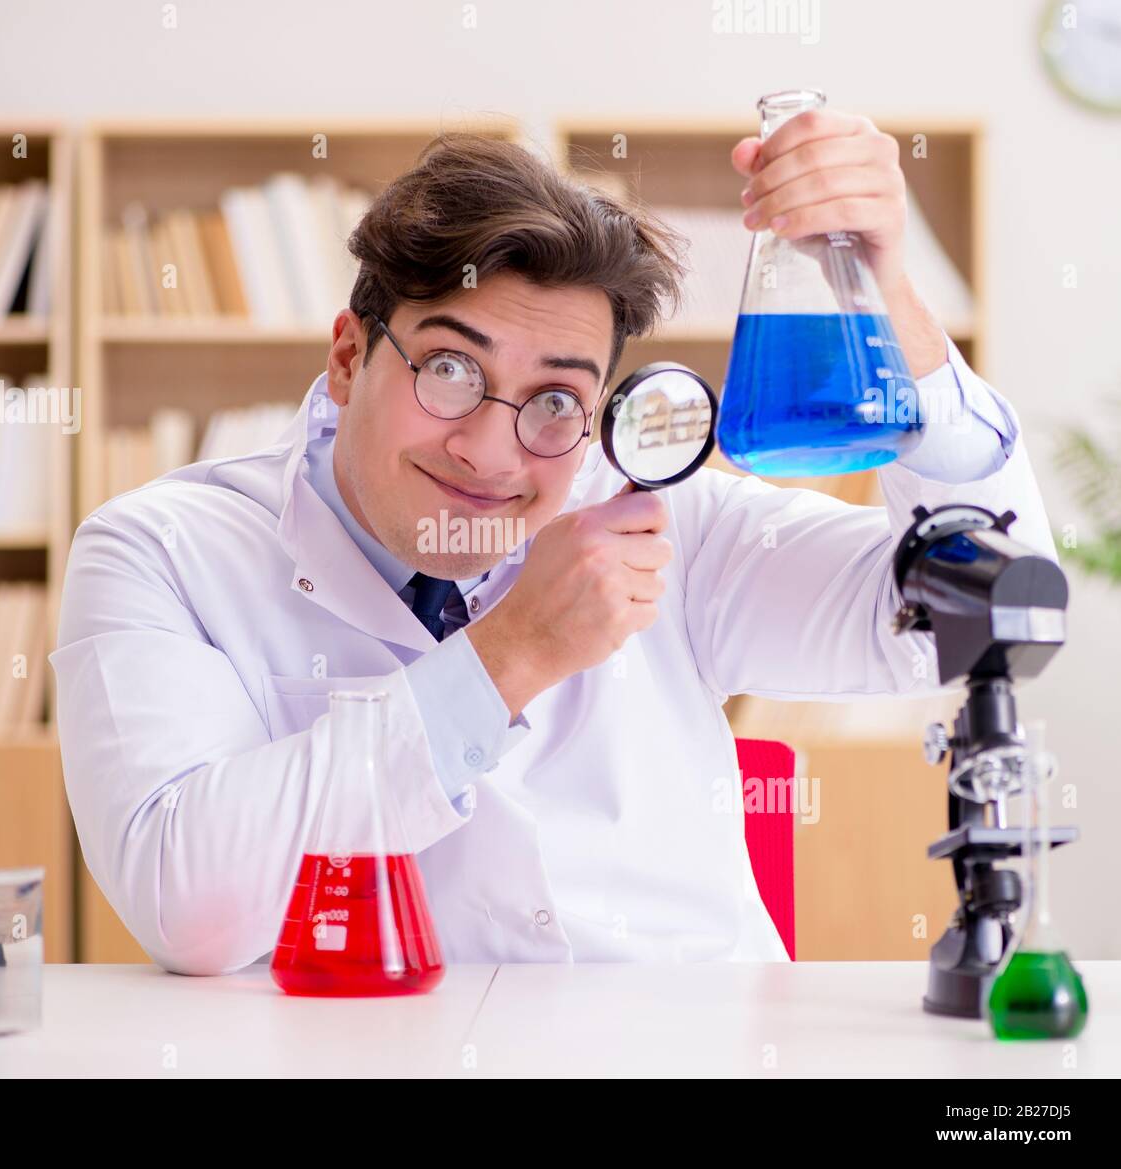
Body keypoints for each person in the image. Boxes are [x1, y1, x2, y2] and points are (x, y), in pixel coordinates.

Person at [51, 115, 1054, 974]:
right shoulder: (160, 551)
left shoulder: (667, 517)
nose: (492, 450)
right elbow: (188, 905)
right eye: (448, 368)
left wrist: (886, 296)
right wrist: (508, 656)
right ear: (351, 356)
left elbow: (986, 607)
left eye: (556, 402)